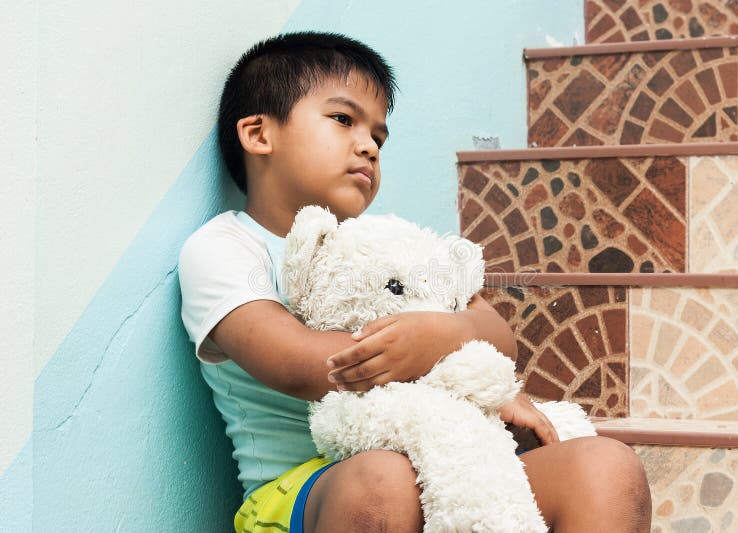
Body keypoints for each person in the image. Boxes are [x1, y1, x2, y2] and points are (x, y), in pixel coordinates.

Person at [178, 30, 652, 532]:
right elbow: (296, 364)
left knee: (607, 467)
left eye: (379, 136)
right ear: (258, 134)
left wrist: (442, 338)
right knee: (385, 478)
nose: (368, 146)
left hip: (450, 471)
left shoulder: (398, 245)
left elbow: (497, 337)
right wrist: (433, 358)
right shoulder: (226, 246)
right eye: (343, 120)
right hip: (306, 490)